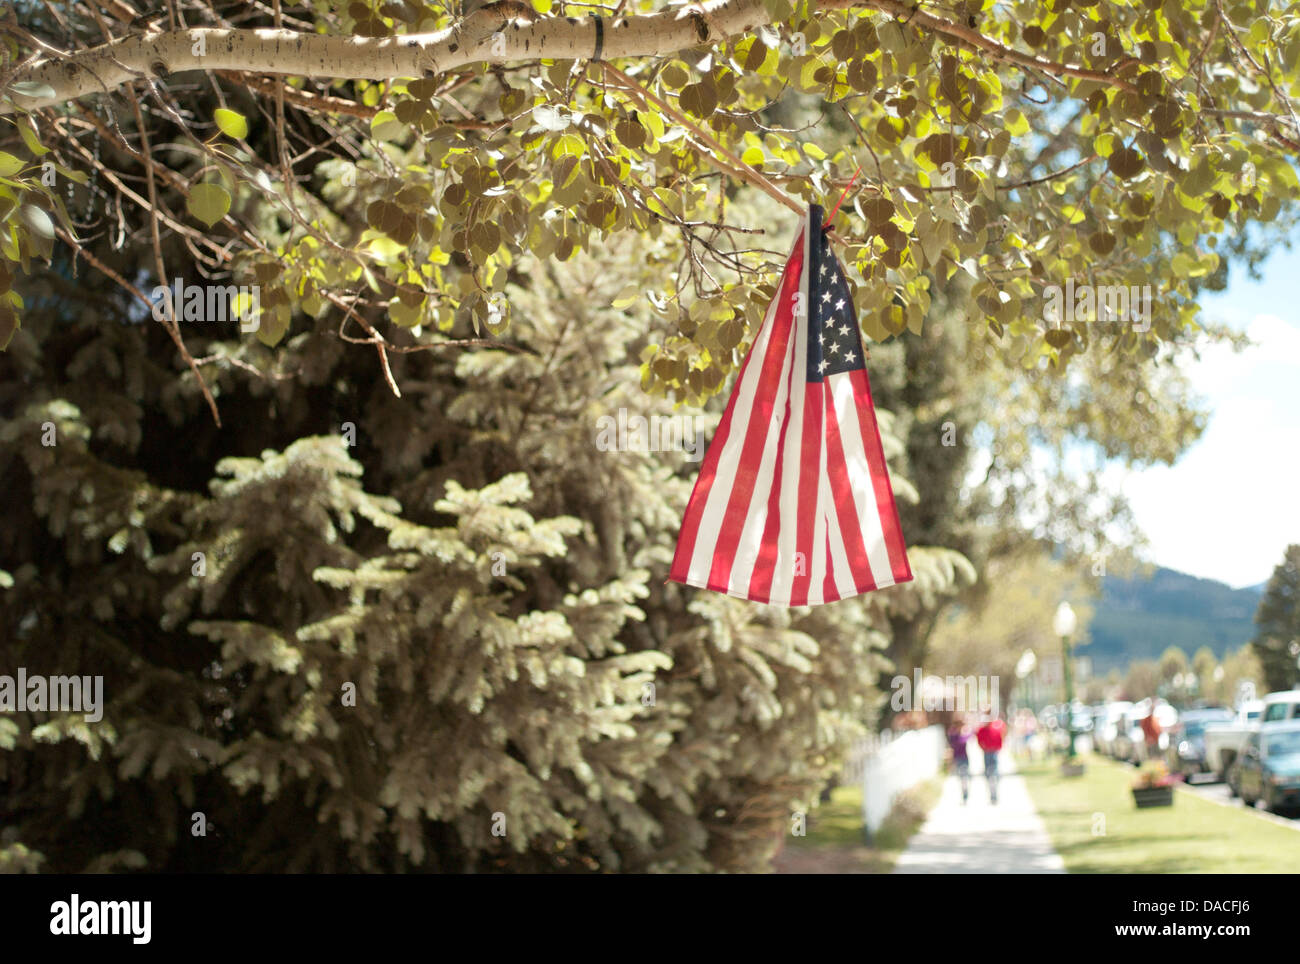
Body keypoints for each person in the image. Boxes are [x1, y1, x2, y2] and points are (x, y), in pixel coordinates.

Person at [977, 713, 1008, 804]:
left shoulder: (996, 727)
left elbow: (1003, 735)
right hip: (987, 752)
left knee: (995, 771)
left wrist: (999, 747)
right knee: (988, 772)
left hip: (994, 752)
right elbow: (979, 741)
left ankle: (994, 791)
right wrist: (984, 748)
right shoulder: (982, 730)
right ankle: (991, 789)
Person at [947, 716, 973, 804]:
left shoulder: (962, 733)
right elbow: (958, 743)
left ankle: (965, 795)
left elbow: (970, 736)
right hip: (958, 758)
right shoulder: (953, 734)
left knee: (964, 777)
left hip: (964, 758)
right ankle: (964, 794)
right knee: (962, 777)